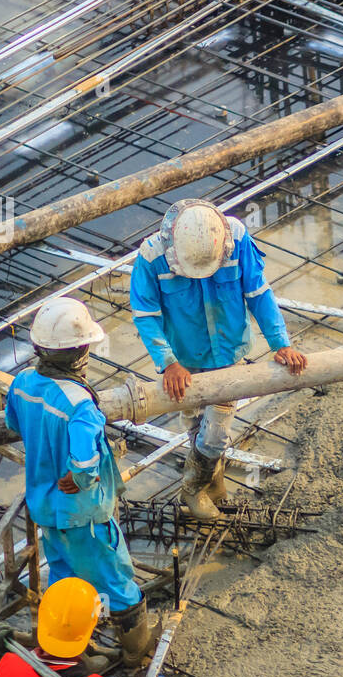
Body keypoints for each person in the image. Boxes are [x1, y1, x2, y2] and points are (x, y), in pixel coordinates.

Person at [129, 198, 306, 518]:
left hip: (227, 354)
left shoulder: (236, 238)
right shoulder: (151, 256)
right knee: (196, 424)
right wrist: (168, 362)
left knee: (215, 432)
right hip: (183, 360)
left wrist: (282, 343)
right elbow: (145, 314)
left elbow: (258, 294)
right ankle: (215, 484)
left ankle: (193, 488)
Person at [4, 297, 154, 668]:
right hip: (82, 513)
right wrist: (81, 475)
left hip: (45, 506)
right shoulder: (81, 403)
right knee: (116, 578)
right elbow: (85, 461)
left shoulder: (22, 382)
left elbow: (13, 423)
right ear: (80, 352)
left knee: (63, 579)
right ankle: (136, 651)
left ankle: (62, 649)